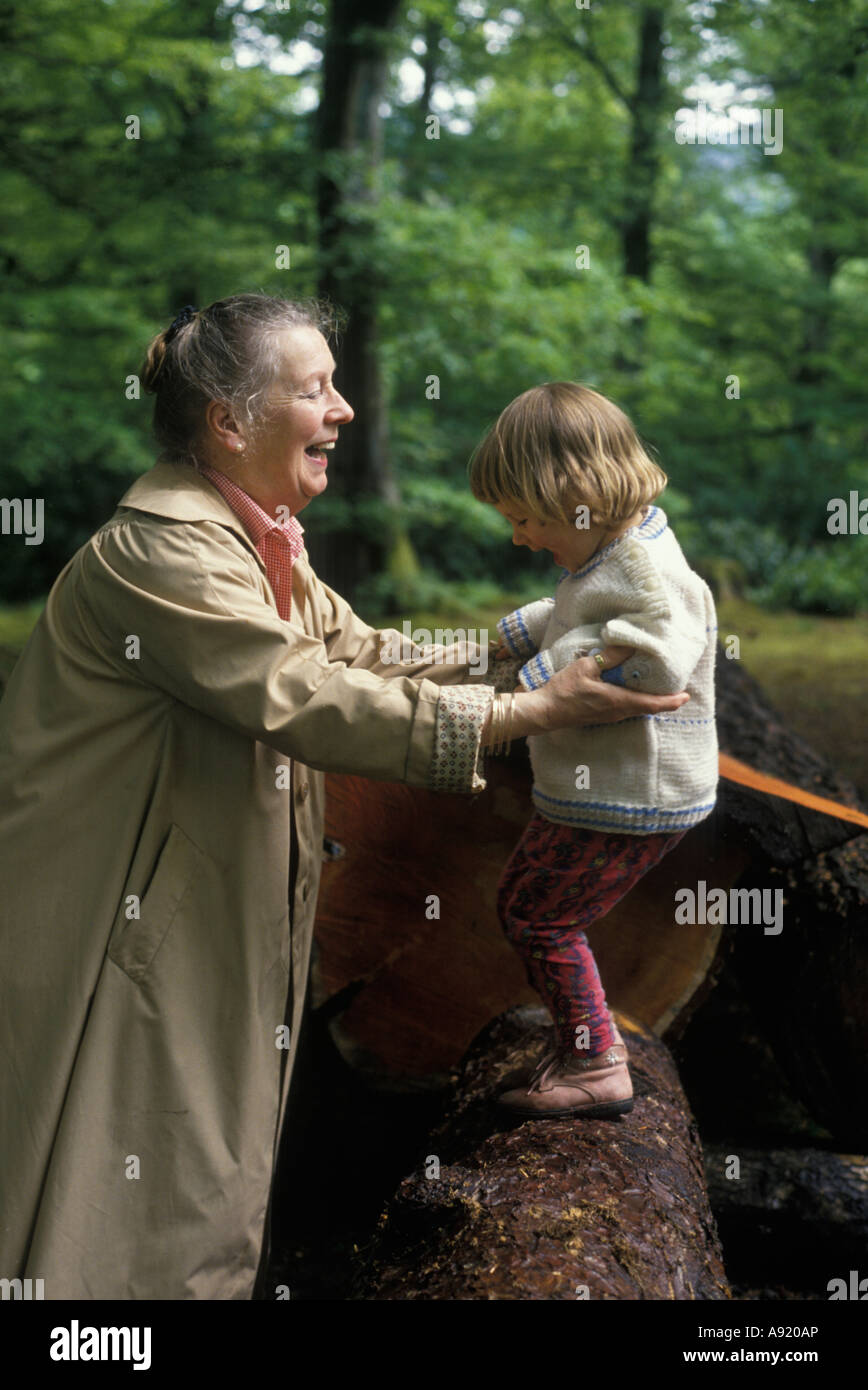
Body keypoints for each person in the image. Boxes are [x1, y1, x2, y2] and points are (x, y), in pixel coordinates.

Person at [0, 296, 691, 1299]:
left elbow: (363, 654)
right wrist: (527, 716)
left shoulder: (257, 540)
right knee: (124, 1190)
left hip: (192, 918)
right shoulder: (160, 555)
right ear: (230, 424)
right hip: (118, 930)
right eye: (315, 388)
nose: (347, 409)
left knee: (189, 1174)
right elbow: (309, 698)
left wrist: (522, 658)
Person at [468, 381, 718, 1119]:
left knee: (538, 916)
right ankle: (584, 1040)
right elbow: (582, 608)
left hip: (632, 789)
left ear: (575, 495)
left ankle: (596, 1061)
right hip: (607, 786)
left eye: (525, 518)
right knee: (531, 906)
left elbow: (657, 656)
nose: (519, 537)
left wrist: (547, 667)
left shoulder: (646, 570)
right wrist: (514, 635)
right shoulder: (613, 553)